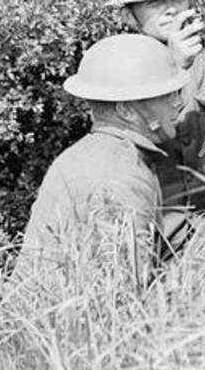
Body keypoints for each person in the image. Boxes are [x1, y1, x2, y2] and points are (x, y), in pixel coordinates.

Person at [13, 33, 191, 289]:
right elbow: (120, 295)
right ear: (126, 110)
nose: (179, 102)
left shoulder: (88, 154)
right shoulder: (121, 178)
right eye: (167, 95)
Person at [111, 0, 205, 217]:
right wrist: (173, 68)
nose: (171, 9)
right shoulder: (114, 68)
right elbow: (126, 145)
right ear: (129, 16)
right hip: (161, 228)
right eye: (154, 2)